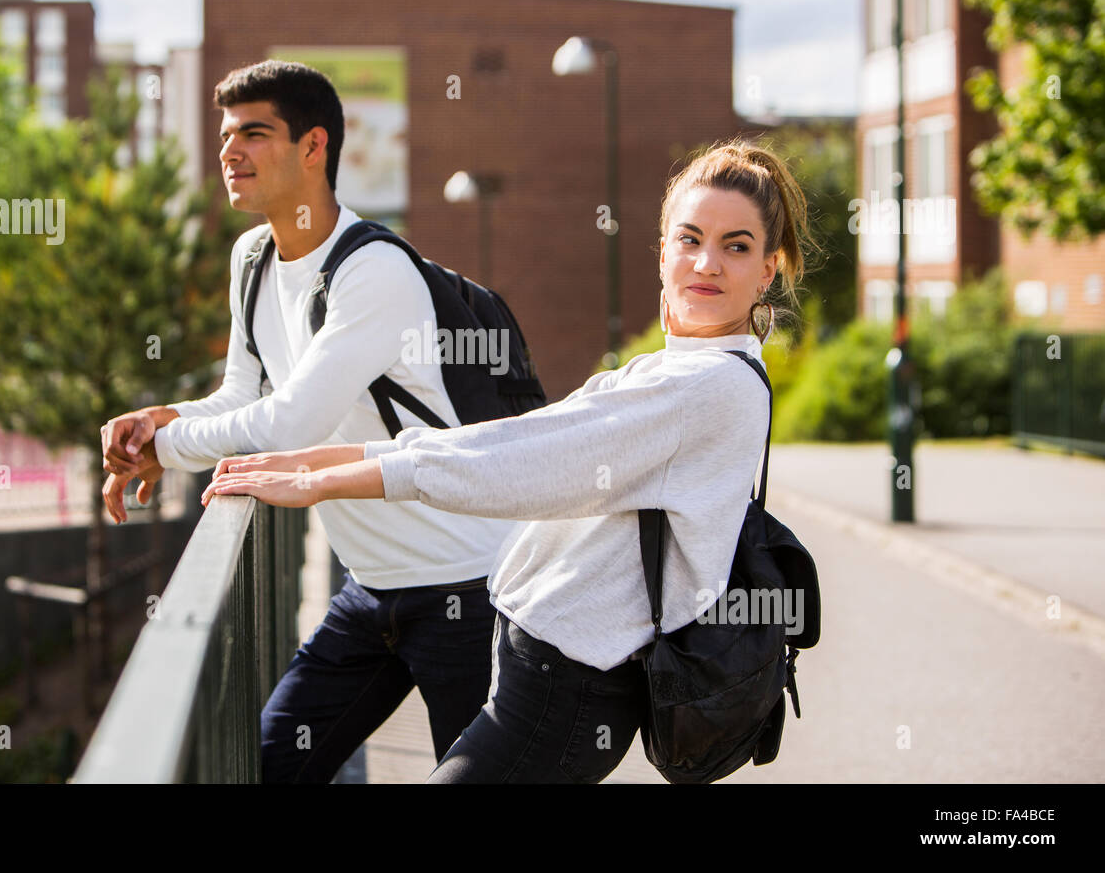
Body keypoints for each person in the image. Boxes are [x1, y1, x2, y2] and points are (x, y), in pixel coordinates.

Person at [201, 139, 815, 782]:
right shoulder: (668, 371)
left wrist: (327, 481)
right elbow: (526, 435)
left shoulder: (708, 388)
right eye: (690, 239)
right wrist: (320, 462)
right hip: (538, 676)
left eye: (736, 246)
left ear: (768, 269)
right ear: (662, 254)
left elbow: (527, 460)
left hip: (567, 694)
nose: (707, 263)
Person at [99, 60, 520, 782]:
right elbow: (244, 394)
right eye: (227, 133)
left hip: (466, 590)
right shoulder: (254, 258)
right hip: (371, 588)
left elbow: (288, 423)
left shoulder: (372, 269)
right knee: (264, 768)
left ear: (313, 147)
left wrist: (168, 448)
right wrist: (161, 422)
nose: (230, 151)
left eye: (254, 133)